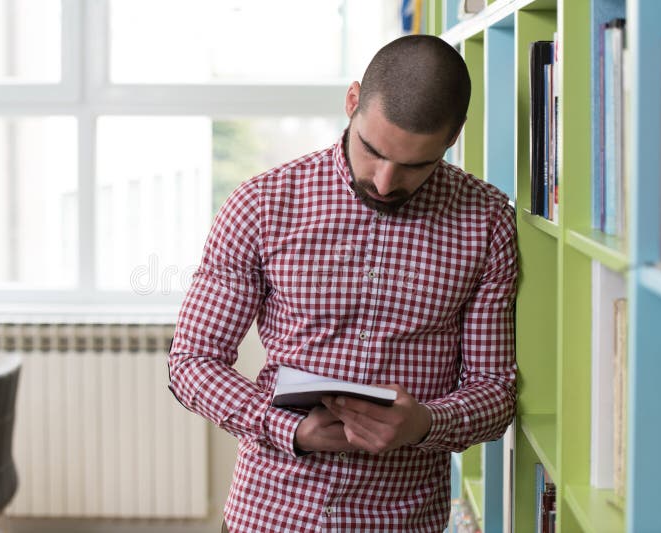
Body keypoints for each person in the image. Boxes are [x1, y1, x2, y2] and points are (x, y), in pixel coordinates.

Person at [168, 34, 517, 532]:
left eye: (416, 165)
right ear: (352, 101)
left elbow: (496, 392)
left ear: (454, 135)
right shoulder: (262, 204)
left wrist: (425, 424)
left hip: (403, 521)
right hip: (271, 514)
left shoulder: (486, 222)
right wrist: (289, 428)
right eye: (373, 150)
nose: (384, 181)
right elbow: (192, 362)